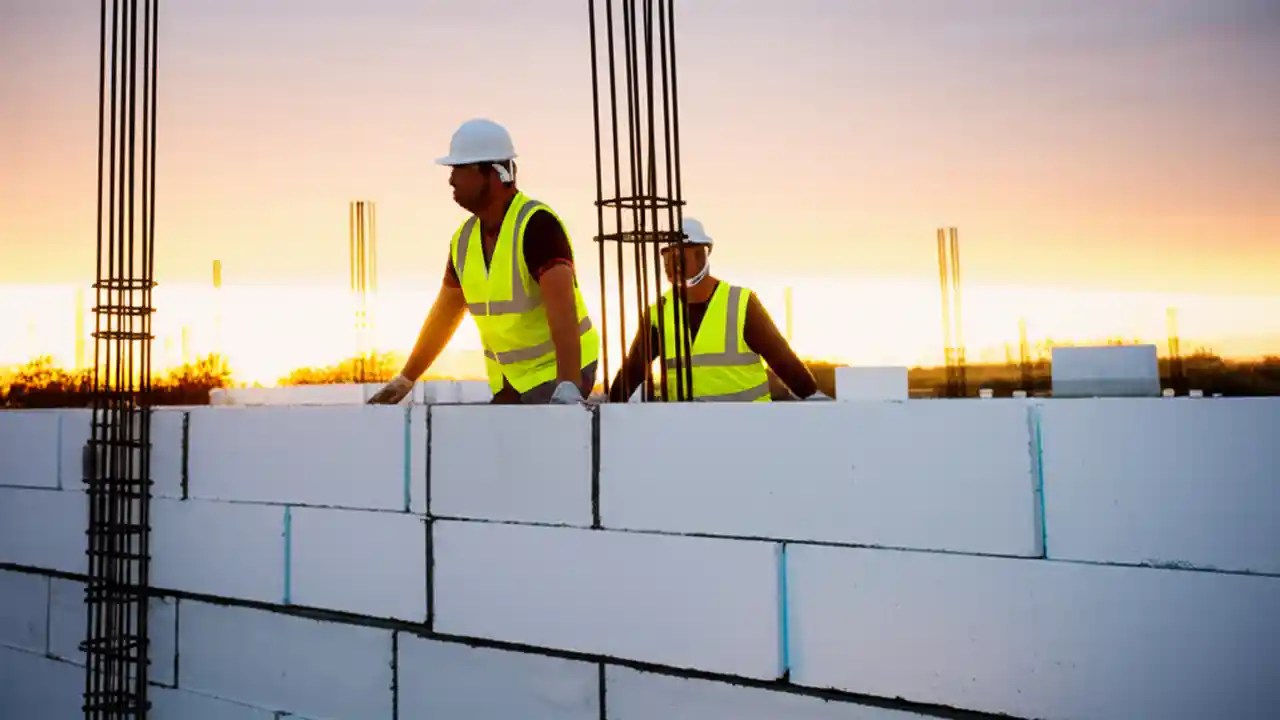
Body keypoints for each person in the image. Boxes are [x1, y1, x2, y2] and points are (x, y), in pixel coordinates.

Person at [368, 118, 599, 405]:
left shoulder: (537, 226)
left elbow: (563, 311)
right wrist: (406, 378)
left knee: (528, 431)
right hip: (512, 380)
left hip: (559, 371)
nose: (451, 180)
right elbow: (444, 316)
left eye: (459, 169)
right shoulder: (463, 241)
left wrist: (568, 386)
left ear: (494, 173)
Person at [606, 217, 830, 403]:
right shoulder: (659, 312)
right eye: (667, 259)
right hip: (686, 428)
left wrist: (813, 397)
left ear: (703, 255)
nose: (672, 267)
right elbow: (634, 368)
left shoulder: (741, 303)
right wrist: (609, 407)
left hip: (748, 425)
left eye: (681, 257)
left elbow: (781, 357)